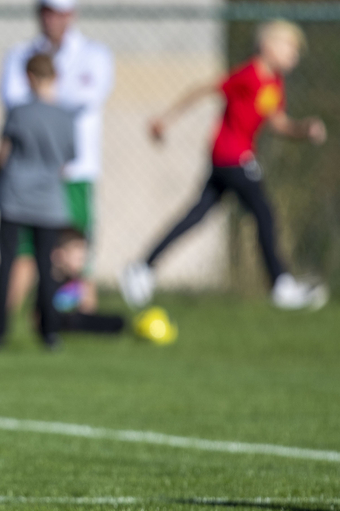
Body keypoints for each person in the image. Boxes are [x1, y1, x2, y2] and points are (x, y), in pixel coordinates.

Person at [121, 20, 329, 311]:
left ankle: (141, 269)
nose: (293, 55)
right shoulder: (248, 75)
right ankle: (281, 285)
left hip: (234, 157)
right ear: (268, 46)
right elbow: (204, 89)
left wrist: (303, 130)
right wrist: (166, 119)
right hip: (232, 156)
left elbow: (278, 123)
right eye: (289, 47)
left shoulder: (274, 83)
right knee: (264, 212)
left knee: (197, 214)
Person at [0, 0, 113, 317]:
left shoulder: (95, 54)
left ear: (72, 15)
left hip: (76, 171)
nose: (54, 21)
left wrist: (42, 99)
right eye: (48, 12)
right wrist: (52, 99)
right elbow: (12, 100)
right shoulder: (19, 54)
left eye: (61, 14)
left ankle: (75, 317)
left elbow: (88, 98)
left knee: (74, 250)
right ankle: (5, 322)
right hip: (29, 173)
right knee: (24, 251)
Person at [0, 54, 75, 350]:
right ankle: (49, 333)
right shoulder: (65, 116)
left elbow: (2, 153)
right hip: (49, 200)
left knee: (7, 263)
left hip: (15, 196)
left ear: (30, 77)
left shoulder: (19, 112)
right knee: (46, 265)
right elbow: (67, 160)